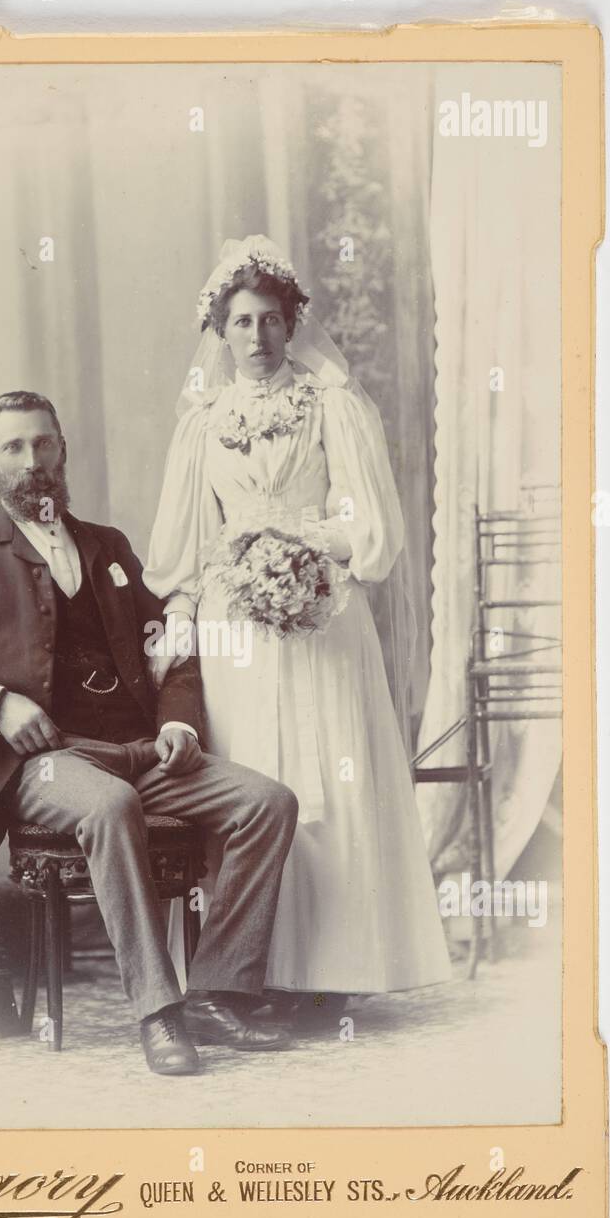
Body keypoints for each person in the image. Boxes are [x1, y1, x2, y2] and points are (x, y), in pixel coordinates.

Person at [0, 389, 299, 1076]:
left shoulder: (108, 547)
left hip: (140, 750)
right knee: (111, 806)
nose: (31, 462)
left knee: (267, 802)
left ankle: (216, 990)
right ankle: (157, 1012)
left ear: (62, 451)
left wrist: (178, 719)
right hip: (46, 762)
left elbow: (169, 644)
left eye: (43, 444)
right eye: (13, 448)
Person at [143, 236, 452, 1017]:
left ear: (293, 324)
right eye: (242, 322)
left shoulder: (332, 406)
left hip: (323, 620)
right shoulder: (202, 424)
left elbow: (373, 532)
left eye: (272, 320)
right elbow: (179, 554)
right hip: (234, 637)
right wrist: (187, 622)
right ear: (221, 329)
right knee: (259, 784)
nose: (257, 338)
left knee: (334, 785)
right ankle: (254, 976)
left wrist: (301, 548)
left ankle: (333, 974)